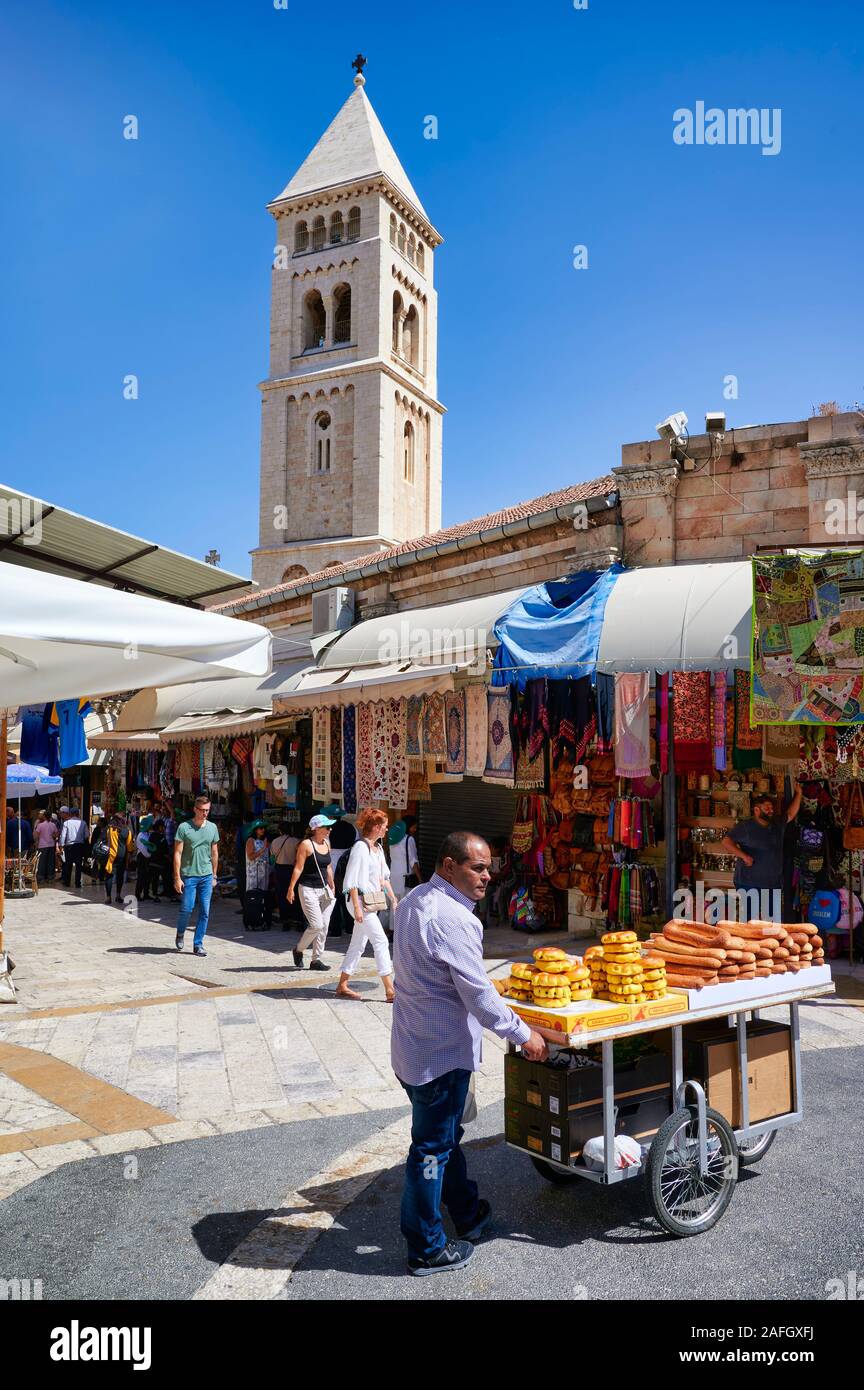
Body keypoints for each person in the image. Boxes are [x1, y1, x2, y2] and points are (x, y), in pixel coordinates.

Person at [391, 830, 549, 1277]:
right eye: (477, 868)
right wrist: (523, 1034)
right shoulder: (454, 919)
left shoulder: (416, 899)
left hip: (412, 1045)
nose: (487, 875)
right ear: (448, 866)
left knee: (444, 1137)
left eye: (488, 867)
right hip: (439, 1055)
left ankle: (467, 1211)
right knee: (430, 1149)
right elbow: (478, 995)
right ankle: (425, 1247)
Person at [337, 807, 398, 1003]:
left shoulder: (378, 849)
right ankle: (390, 990)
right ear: (378, 827)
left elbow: (383, 878)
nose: (387, 830)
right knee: (380, 941)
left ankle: (342, 984)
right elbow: (352, 881)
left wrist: (393, 898)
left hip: (370, 903)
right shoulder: (360, 848)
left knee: (358, 943)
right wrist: (356, 908)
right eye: (385, 827)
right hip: (360, 902)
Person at [720, 782, 802, 923]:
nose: (771, 810)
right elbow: (726, 841)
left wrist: (799, 794)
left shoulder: (777, 823)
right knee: (749, 921)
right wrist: (744, 856)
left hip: (773, 883)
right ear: (757, 810)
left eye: (771, 807)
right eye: (767, 808)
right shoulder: (745, 827)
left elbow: (790, 814)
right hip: (748, 882)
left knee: (772, 921)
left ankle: (768, 944)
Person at [287, 814, 336, 971]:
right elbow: (298, 867)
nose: (330, 829)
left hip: (325, 890)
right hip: (308, 889)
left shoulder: (327, 843)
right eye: (327, 827)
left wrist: (332, 882)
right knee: (316, 924)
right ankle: (299, 949)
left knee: (325, 925)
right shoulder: (306, 845)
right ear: (316, 829)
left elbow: (328, 866)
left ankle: (316, 959)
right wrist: (290, 888)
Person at [173, 796, 220, 956]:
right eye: (202, 810)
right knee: (187, 908)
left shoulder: (213, 828)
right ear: (195, 809)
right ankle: (180, 933)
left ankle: (198, 944)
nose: (205, 813)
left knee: (205, 911)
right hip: (189, 875)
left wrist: (214, 875)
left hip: (206, 876)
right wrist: (177, 877)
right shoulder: (184, 827)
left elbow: (214, 852)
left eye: (207, 810)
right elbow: (177, 853)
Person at [270, 821, 299, 928]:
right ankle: (296, 919)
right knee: (294, 894)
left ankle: (285, 920)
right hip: (292, 869)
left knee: (282, 895)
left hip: (279, 869)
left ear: (280, 830)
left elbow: (272, 856)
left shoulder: (274, 841)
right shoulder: (296, 841)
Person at [244, 819, 273, 929]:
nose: (263, 830)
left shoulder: (265, 841)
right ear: (255, 830)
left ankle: (262, 919)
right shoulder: (251, 841)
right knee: (253, 897)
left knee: (263, 897)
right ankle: (252, 919)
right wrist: (263, 848)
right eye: (261, 828)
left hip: (264, 874)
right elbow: (251, 856)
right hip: (253, 874)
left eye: (264, 828)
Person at [104, 814, 134, 904]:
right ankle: (118, 896)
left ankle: (108, 897)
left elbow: (102, 840)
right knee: (120, 876)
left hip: (110, 856)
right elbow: (130, 847)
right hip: (122, 857)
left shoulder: (108, 829)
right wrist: (129, 858)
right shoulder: (127, 831)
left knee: (109, 875)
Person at [388, 818, 420, 899]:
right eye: (414, 827)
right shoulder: (409, 839)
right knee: (405, 904)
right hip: (405, 878)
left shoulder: (393, 839)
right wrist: (420, 878)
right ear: (408, 827)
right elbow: (413, 861)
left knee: (394, 903)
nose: (415, 829)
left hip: (394, 876)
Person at [59, 804, 88, 889]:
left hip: (69, 846)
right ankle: (77, 883)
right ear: (78, 814)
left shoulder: (66, 823)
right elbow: (86, 835)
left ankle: (67, 882)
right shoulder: (83, 823)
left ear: (71, 814)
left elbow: (63, 836)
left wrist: (61, 845)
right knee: (79, 865)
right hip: (79, 846)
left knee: (68, 864)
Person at [34, 810, 59, 882]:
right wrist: (52, 836)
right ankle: (50, 876)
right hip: (51, 844)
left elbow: (36, 835)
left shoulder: (40, 825)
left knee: (42, 861)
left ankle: (41, 877)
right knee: (50, 861)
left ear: (44, 816)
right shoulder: (53, 825)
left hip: (42, 845)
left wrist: (38, 840)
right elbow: (57, 834)